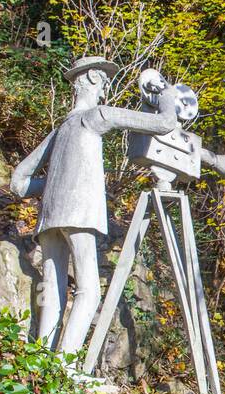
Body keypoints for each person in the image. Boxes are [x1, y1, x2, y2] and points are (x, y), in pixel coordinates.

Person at [10, 56, 180, 355]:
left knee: (53, 286)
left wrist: (53, 187)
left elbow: (18, 183)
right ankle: (65, 365)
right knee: (88, 289)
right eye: (103, 79)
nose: (105, 87)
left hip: (50, 216)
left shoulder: (61, 128)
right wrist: (166, 94)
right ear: (89, 79)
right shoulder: (97, 116)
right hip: (80, 212)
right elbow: (164, 123)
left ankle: (41, 361)